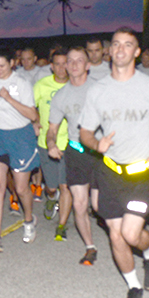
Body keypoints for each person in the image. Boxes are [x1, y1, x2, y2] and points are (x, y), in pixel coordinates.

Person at [78, 28, 149, 298]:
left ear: (137, 52)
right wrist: (96, 144)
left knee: (131, 234)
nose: (120, 49)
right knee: (116, 233)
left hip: (143, 172)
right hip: (110, 172)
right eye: (116, 44)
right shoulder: (98, 90)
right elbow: (84, 132)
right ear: (110, 51)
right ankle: (133, 287)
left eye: (128, 44)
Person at [0, 50, 40, 248]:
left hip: (19, 136)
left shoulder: (21, 83)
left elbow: (32, 114)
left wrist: (9, 98)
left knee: (21, 188)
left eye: (2, 66)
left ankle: (29, 220)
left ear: (12, 63)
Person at [46, 47, 99, 264]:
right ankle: (90, 247)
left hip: (100, 153)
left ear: (88, 65)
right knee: (79, 203)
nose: (74, 64)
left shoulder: (100, 89)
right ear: (66, 65)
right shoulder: (61, 96)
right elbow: (52, 129)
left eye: (79, 60)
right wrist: (51, 143)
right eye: (70, 61)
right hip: (76, 151)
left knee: (98, 205)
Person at [33, 47, 71, 241]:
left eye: (65, 63)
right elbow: (31, 107)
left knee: (66, 186)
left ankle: (61, 225)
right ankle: (50, 197)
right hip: (46, 142)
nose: (62, 68)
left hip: (70, 143)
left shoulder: (76, 85)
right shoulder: (42, 85)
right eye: (57, 64)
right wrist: (35, 121)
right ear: (51, 66)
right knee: (52, 187)